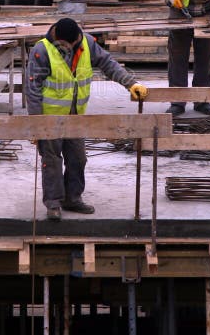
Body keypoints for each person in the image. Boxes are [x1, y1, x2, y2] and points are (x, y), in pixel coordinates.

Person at [26, 17, 148, 221]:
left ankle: (72, 198)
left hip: (76, 115)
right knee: (52, 160)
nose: (70, 48)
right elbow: (32, 89)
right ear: (57, 37)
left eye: (73, 45)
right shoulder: (42, 50)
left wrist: (131, 83)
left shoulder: (87, 43)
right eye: (66, 45)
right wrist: (35, 124)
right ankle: (54, 203)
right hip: (49, 118)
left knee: (78, 158)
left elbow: (108, 64)